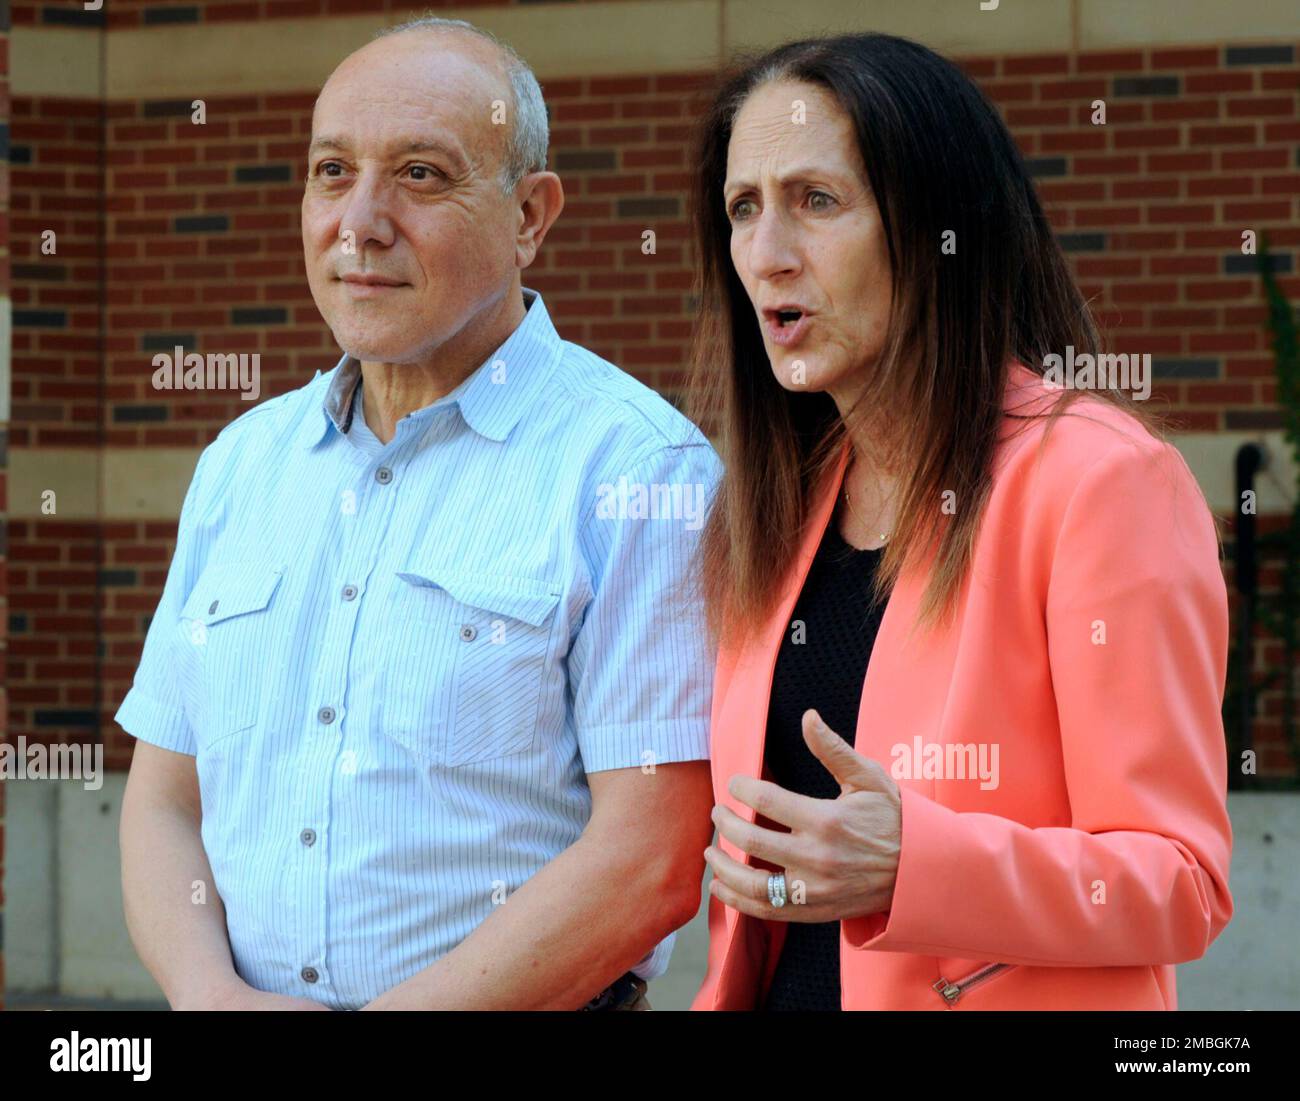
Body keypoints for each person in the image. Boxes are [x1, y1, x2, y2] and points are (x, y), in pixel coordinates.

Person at [117, 15, 718, 1011]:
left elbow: (648, 855)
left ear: (529, 215)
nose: (359, 222)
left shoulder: (635, 469)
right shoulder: (241, 466)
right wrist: (203, 994)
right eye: (330, 173)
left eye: (421, 175)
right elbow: (163, 800)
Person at [687, 32, 1234, 1010]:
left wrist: (918, 868)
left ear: (939, 227)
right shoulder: (777, 503)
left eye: (816, 201)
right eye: (743, 209)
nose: (766, 256)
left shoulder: (1100, 482)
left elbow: (1180, 882)